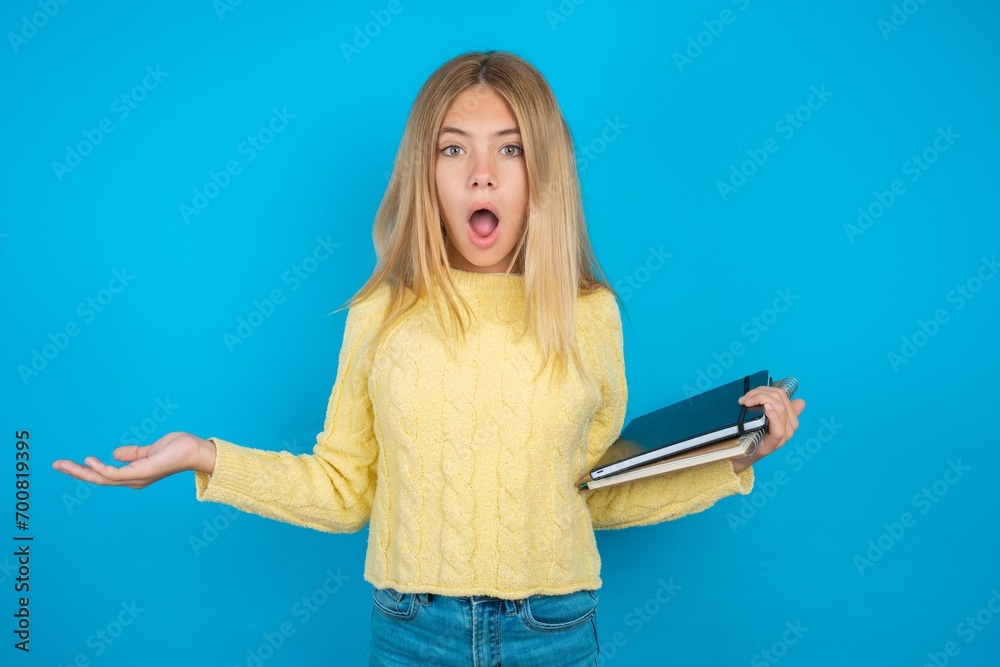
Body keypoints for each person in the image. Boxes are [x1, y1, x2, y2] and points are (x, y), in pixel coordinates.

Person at [53, 50, 806, 666]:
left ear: (543, 171)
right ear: (428, 172)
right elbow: (347, 488)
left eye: (510, 149)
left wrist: (734, 456)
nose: (482, 173)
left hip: (555, 629)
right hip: (412, 629)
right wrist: (205, 456)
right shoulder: (382, 311)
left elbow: (596, 490)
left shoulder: (589, 313)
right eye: (455, 148)